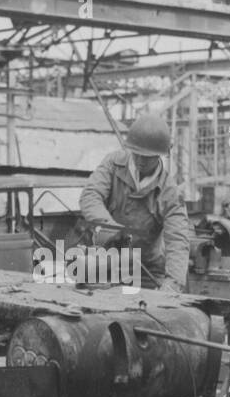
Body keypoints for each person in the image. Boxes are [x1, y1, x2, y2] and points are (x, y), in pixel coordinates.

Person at [79, 113, 191, 292]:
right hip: (105, 261)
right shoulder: (112, 164)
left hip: (146, 268)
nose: (140, 160)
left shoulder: (169, 191)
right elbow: (90, 195)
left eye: (147, 157)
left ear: (161, 155)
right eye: (136, 154)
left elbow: (178, 238)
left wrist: (173, 283)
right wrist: (109, 228)